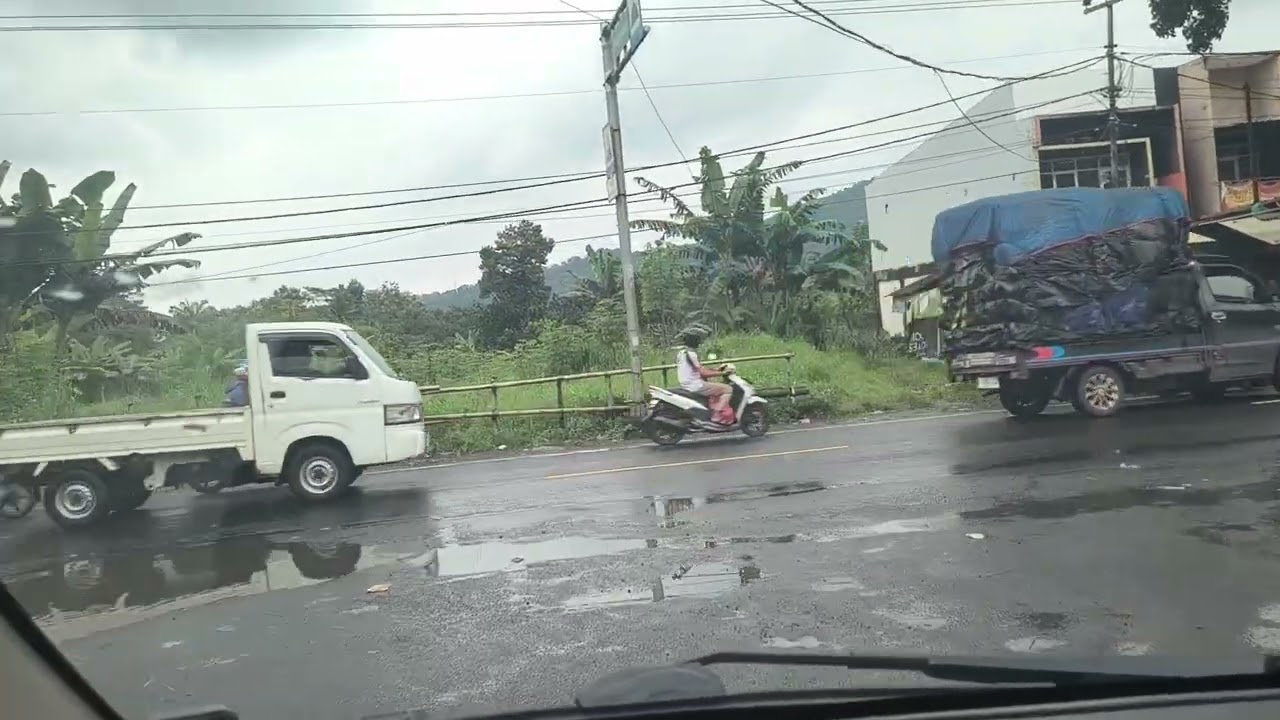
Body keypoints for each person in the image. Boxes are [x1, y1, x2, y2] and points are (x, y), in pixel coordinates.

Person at [676, 324, 734, 425]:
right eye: (699, 340)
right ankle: (716, 415)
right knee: (728, 389)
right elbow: (703, 373)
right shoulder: (692, 354)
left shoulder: (682, 353)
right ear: (695, 341)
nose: (700, 342)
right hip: (695, 385)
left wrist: (716, 369)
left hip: (686, 383)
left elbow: (698, 369)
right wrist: (723, 373)